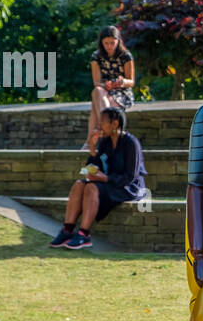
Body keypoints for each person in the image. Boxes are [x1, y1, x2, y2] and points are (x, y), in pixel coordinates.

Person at [50, 107, 147, 249]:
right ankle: (67, 230)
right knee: (79, 184)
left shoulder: (131, 143)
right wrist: (92, 148)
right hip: (107, 183)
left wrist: (106, 179)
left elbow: (130, 177)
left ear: (115, 124)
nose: (99, 125)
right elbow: (92, 165)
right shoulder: (105, 142)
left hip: (127, 187)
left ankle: (84, 235)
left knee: (91, 187)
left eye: (102, 121)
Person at [87, 26, 135, 149]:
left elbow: (131, 81)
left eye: (112, 43)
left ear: (118, 41)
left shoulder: (126, 56)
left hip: (122, 91)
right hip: (104, 90)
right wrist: (106, 85)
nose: (109, 46)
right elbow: (97, 82)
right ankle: (106, 130)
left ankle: (91, 140)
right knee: (97, 91)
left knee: (95, 106)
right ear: (101, 43)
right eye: (106, 43)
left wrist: (122, 82)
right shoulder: (96, 56)